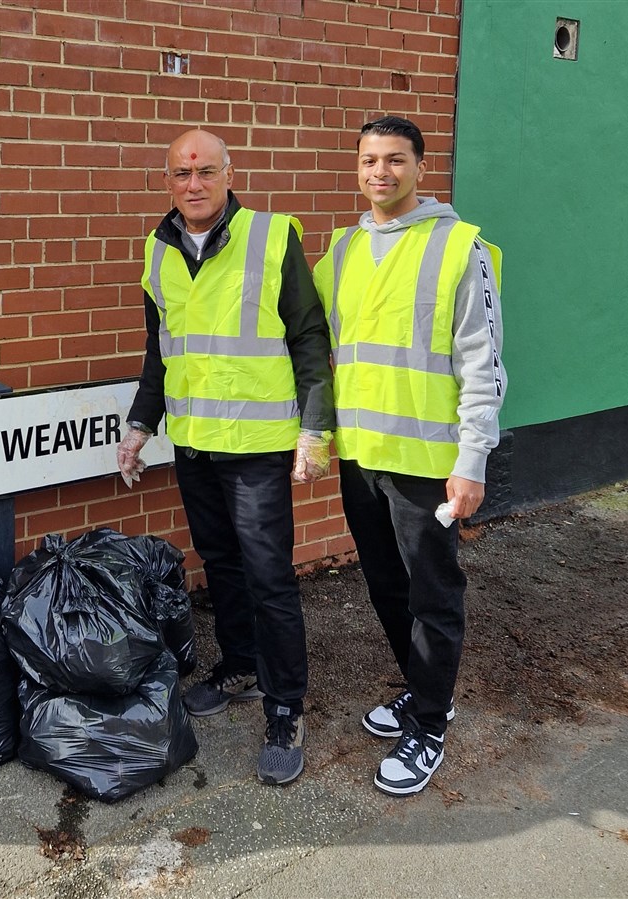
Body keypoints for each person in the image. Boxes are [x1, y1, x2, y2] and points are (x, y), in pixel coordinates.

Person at [116, 128, 335, 786]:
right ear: (166, 182)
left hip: (258, 447)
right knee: (219, 564)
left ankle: (286, 705)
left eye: (205, 170)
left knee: (268, 576)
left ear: (227, 173)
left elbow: (308, 336)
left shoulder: (271, 238)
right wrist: (138, 424)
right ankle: (239, 666)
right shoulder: (156, 253)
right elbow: (161, 355)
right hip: (194, 446)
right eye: (181, 173)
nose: (193, 183)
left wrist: (314, 429)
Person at [312, 115, 506, 796]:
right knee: (385, 586)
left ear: (420, 168)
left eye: (394, 159)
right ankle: (429, 692)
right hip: (361, 455)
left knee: (433, 593)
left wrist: (472, 459)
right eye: (368, 160)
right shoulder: (337, 250)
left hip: (429, 462)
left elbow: (483, 363)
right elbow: (313, 345)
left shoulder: (460, 247)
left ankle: (428, 725)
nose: (379, 173)